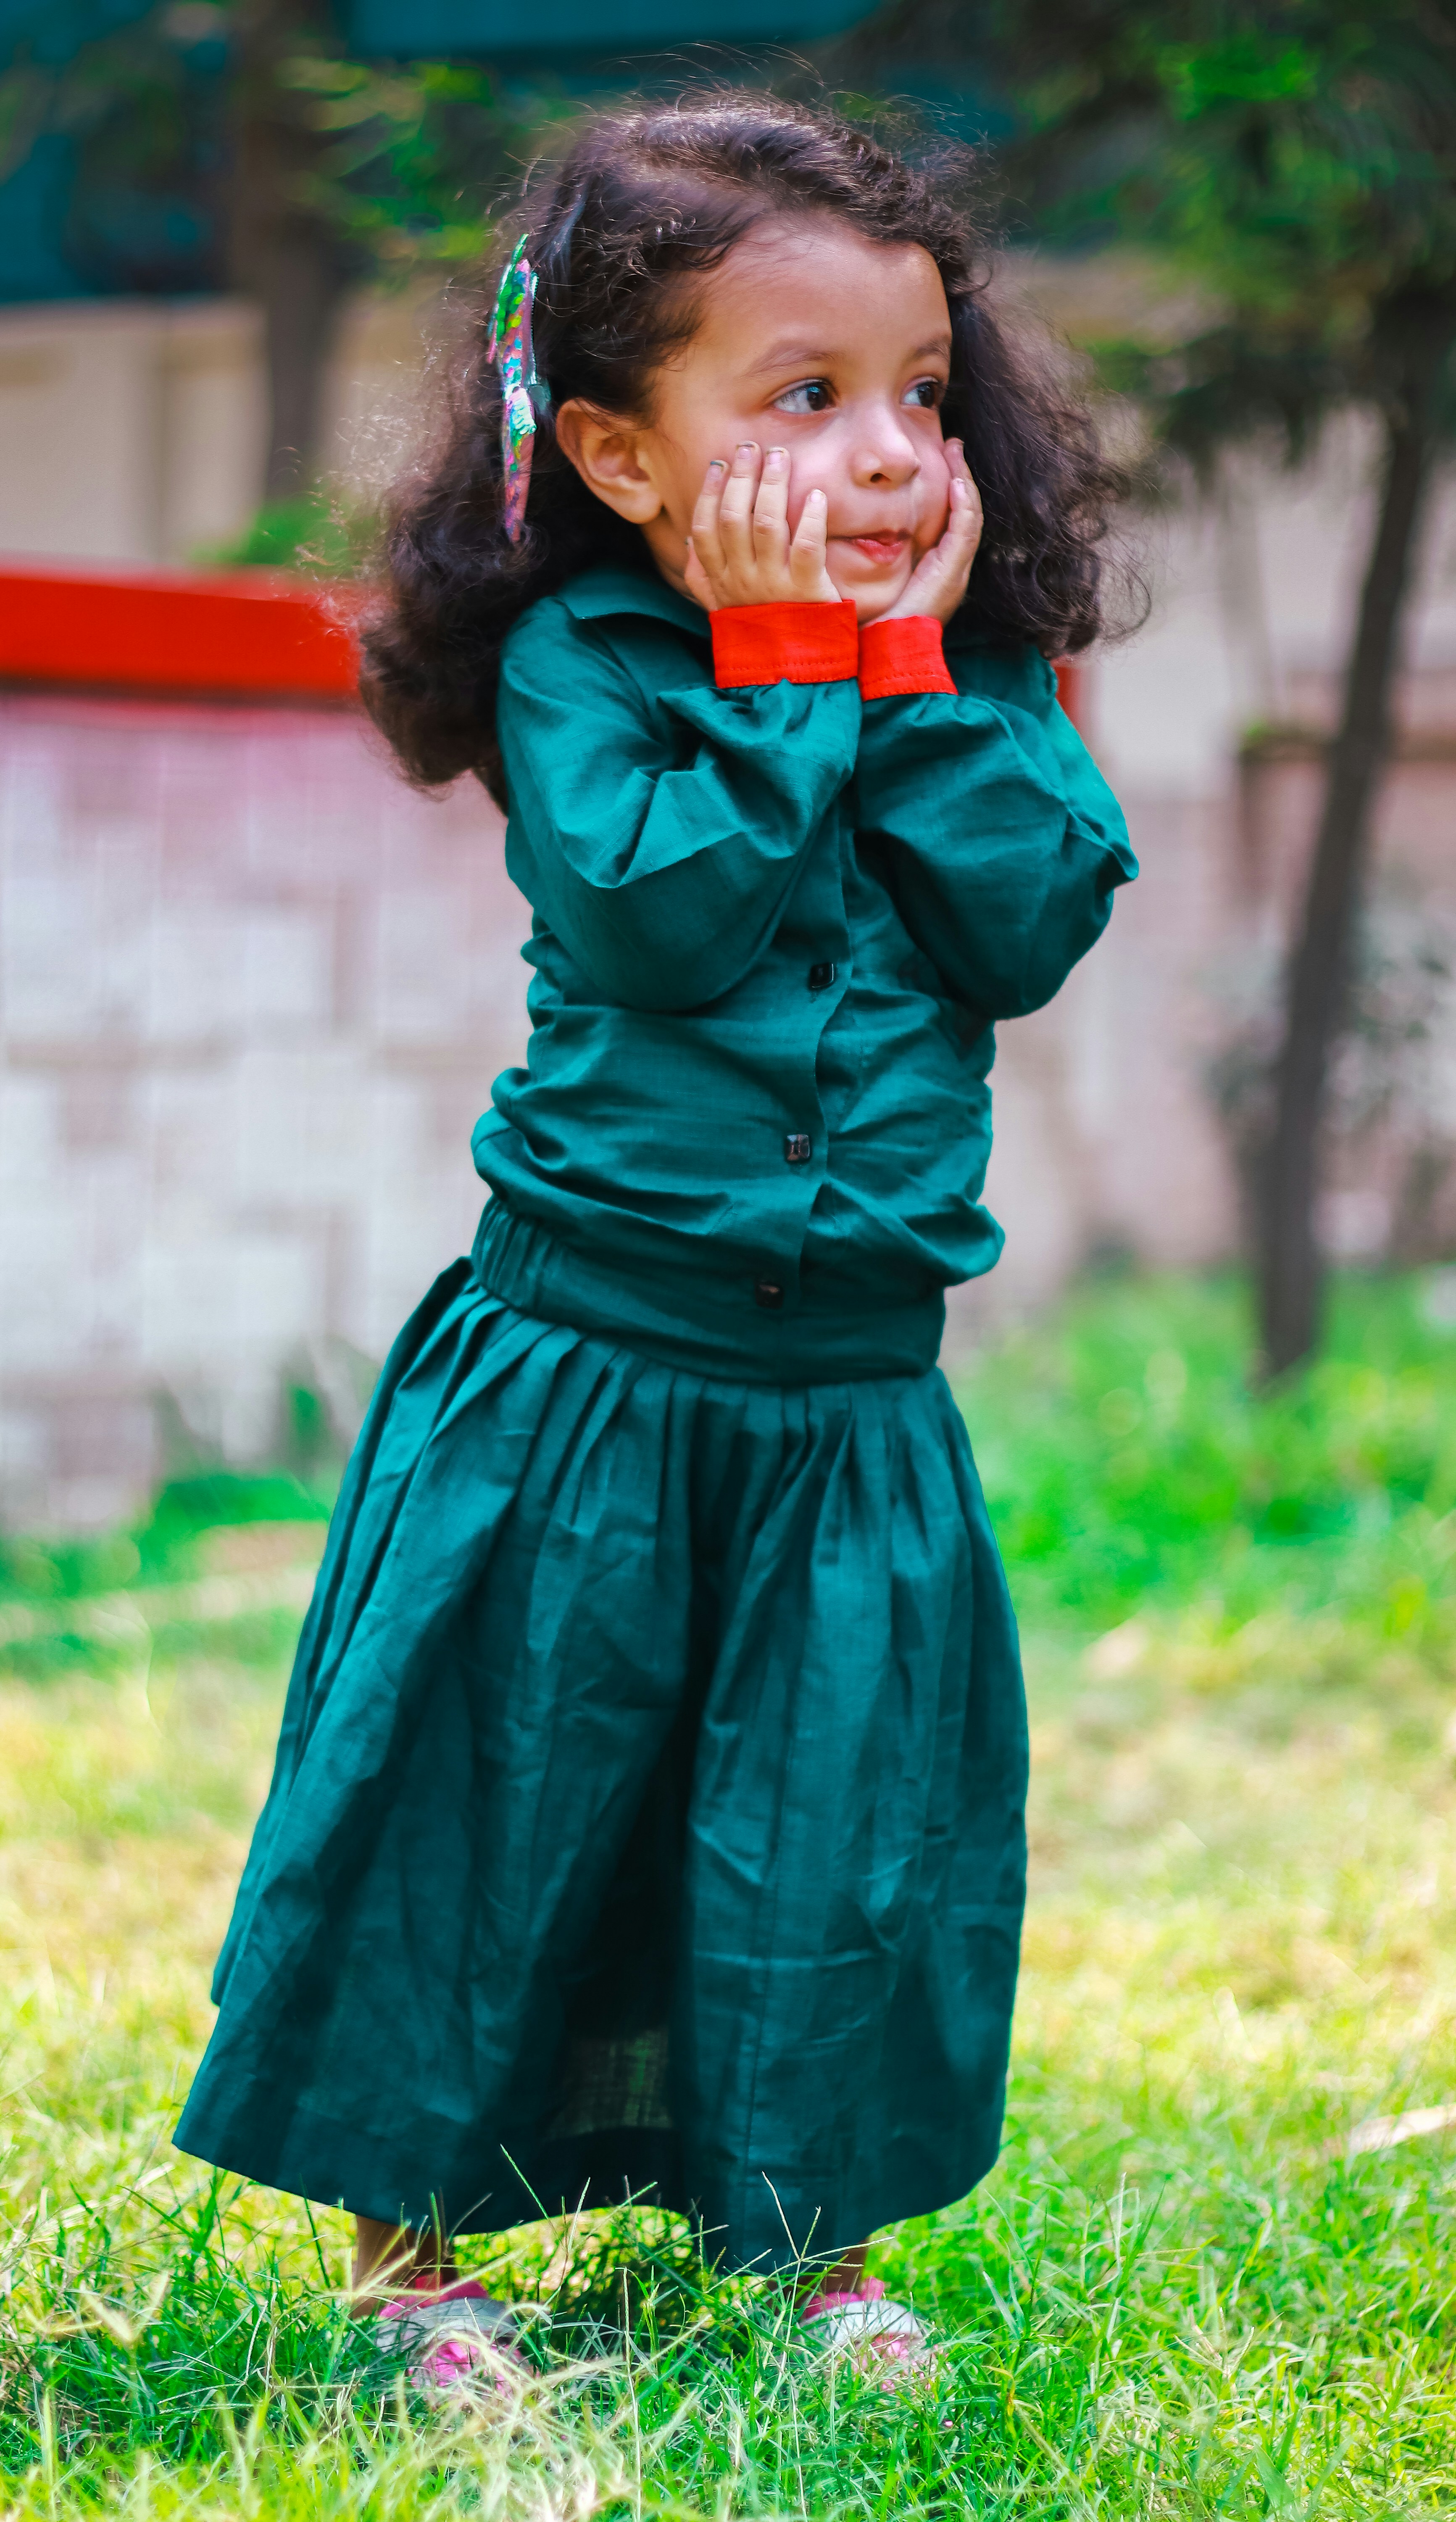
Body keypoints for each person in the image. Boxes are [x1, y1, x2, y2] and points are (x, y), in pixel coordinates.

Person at [175, 89, 1135, 2382]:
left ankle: (813, 2261)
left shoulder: (957, 670)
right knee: (496, 1818)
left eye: (918, 394)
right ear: (620, 458)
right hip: (589, 1375)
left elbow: (1030, 912)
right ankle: (419, 2275)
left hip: (848, 1405)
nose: (888, 450)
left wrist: (898, 671)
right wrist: (796, 672)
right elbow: (656, 914)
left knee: (834, 1847)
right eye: (803, 400)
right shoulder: (588, 669)